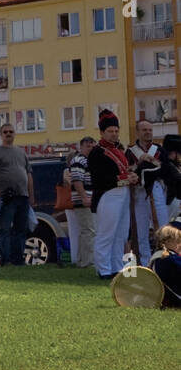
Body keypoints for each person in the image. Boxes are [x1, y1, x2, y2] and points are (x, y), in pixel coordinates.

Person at [87, 110, 138, 279]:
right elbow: (100, 178)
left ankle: (116, 267)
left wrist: (131, 175)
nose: (114, 134)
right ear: (102, 132)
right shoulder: (97, 152)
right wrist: (125, 178)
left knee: (121, 234)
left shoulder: (118, 150)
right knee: (106, 234)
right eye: (110, 131)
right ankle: (103, 269)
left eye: (116, 131)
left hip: (121, 193)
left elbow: (122, 171)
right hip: (107, 195)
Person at [0, 123, 35, 267]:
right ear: (1, 135)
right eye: (5, 132)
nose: (8, 134)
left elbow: (29, 175)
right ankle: (6, 260)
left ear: (14, 134)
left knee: (20, 229)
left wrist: (31, 195)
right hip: (6, 197)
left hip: (23, 196)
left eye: (11, 131)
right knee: (5, 229)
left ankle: (18, 260)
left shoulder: (21, 153)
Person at [128, 119, 165, 262]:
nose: (148, 132)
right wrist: (140, 163)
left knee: (162, 226)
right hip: (139, 191)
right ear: (137, 132)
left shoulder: (159, 150)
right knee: (141, 228)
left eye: (150, 130)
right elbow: (128, 170)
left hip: (156, 189)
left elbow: (165, 170)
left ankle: (163, 259)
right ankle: (145, 262)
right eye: (144, 130)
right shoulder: (130, 152)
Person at [65, 136, 96, 268]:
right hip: (84, 201)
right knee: (88, 231)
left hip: (90, 199)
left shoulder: (89, 161)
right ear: (81, 147)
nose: (91, 149)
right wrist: (84, 197)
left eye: (93, 146)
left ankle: (85, 259)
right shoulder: (78, 161)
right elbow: (77, 181)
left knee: (88, 231)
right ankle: (87, 262)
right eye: (88, 146)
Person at [151, 224, 181, 309]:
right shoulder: (169, 259)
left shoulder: (159, 258)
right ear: (168, 242)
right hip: (176, 299)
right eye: (178, 241)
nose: (180, 244)